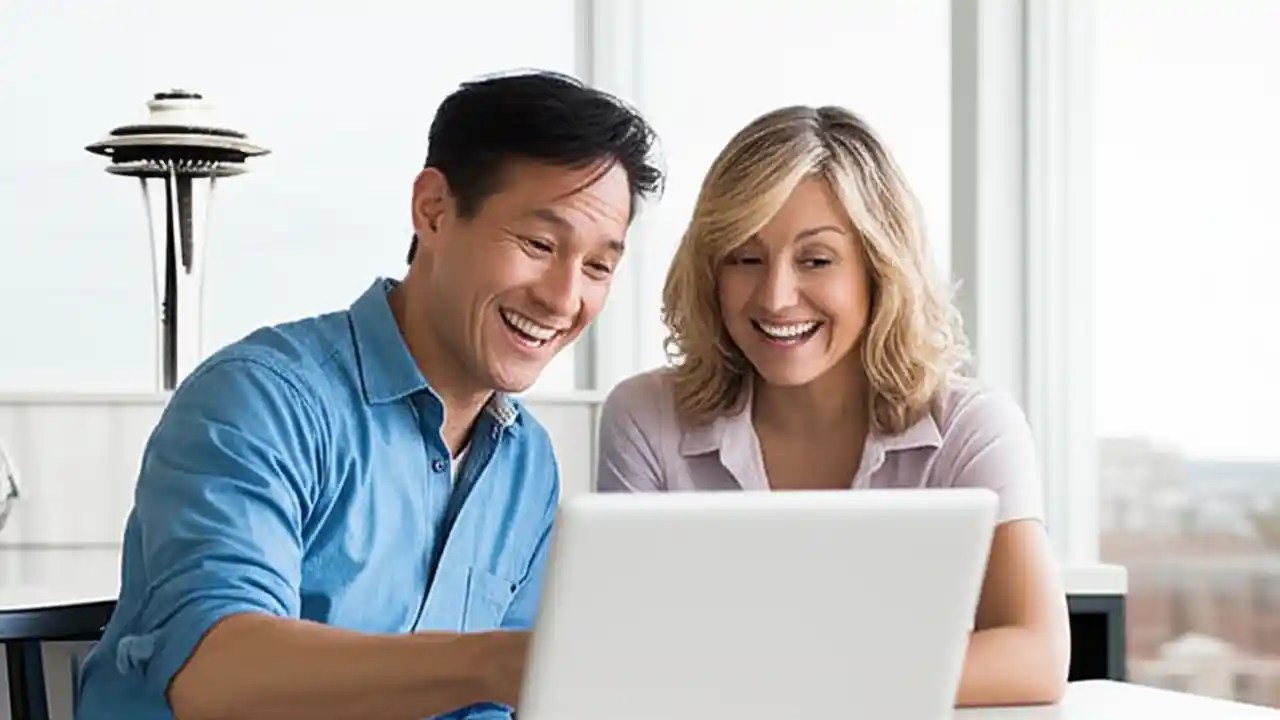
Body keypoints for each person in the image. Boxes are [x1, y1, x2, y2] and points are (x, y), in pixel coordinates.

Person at [75, 70, 662, 720]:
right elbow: (215, 674)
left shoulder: (527, 465)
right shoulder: (261, 401)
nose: (563, 298)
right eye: (538, 244)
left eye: (599, 267)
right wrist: (493, 663)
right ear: (434, 210)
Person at [596, 105, 1070, 707]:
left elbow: (1036, 656)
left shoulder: (971, 426)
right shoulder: (646, 418)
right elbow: (626, 653)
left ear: (879, 269)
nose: (776, 296)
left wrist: (788, 683)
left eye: (816, 260)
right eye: (745, 258)